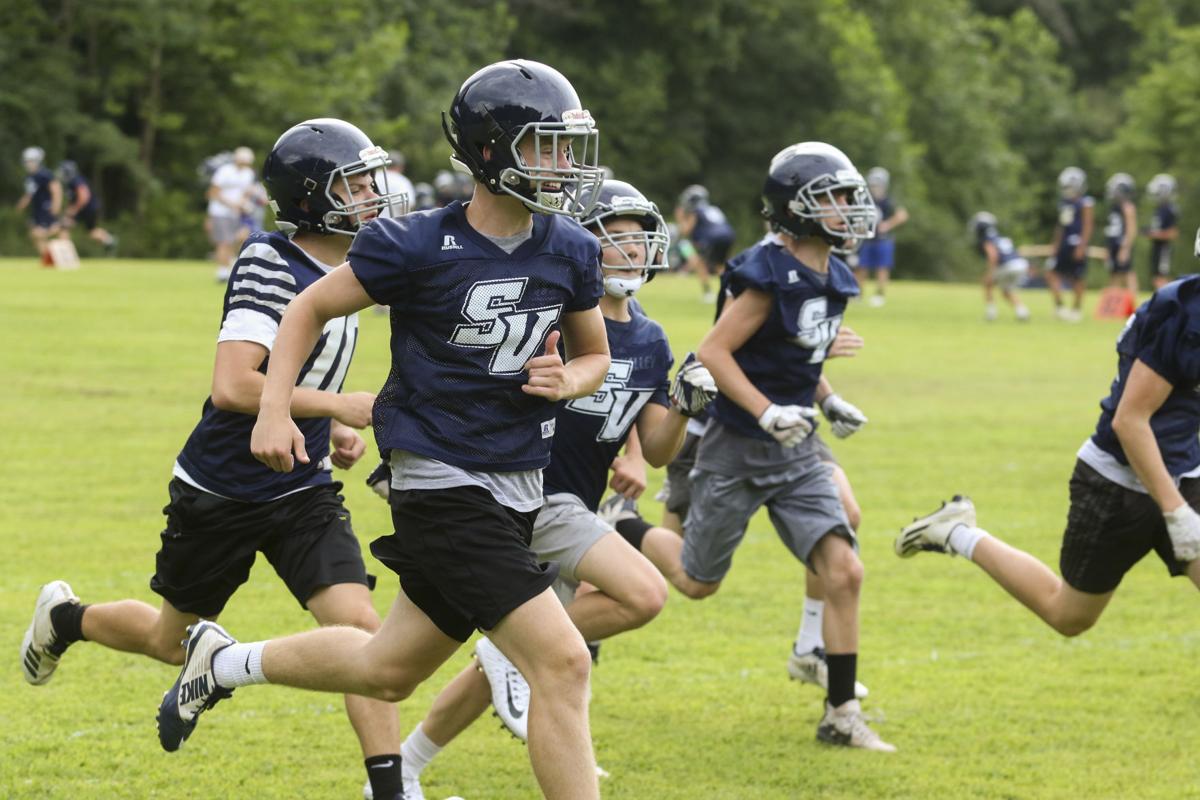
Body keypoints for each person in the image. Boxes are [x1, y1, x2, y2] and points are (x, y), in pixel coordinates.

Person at [154, 60, 612, 800]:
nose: (565, 167)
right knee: (563, 661)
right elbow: (306, 311)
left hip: (518, 482)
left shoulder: (570, 249)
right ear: (491, 154)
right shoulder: (415, 244)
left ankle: (224, 661)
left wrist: (571, 379)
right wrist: (274, 408)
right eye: (547, 146)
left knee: (386, 669)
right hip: (441, 480)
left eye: (568, 148)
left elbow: (595, 356)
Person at [20, 118, 410, 800]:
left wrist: (330, 424)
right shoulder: (269, 261)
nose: (374, 194)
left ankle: (392, 790)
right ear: (312, 196)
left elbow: (299, 383)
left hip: (303, 487)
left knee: (363, 635)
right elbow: (234, 386)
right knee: (170, 641)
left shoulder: (353, 268)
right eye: (356, 183)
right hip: (224, 489)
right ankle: (66, 620)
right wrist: (339, 405)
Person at [388, 178, 715, 798]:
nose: (632, 252)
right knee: (642, 595)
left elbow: (659, 445)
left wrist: (683, 409)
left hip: (570, 504)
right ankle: (505, 662)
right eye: (615, 241)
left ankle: (408, 760)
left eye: (640, 239)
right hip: (529, 495)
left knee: (514, 656)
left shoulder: (649, 339)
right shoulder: (553, 308)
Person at [647, 142, 893, 751]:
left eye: (847, 197)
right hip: (734, 445)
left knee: (845, 568)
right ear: (796, 207)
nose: (847, 209)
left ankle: (840, 713)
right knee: (698, 581)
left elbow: (796, 357)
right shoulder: (765, 270)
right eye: (832, 198)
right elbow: (713, 353)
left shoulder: (833, 271)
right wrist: (765, 409)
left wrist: (827, 399)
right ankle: (623, 528)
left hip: (796, 449)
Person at [896, 230, 1200, 643]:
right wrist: (1177, 513)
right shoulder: (1185, 318)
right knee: (1069, 615)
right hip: (1119, 482)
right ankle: (957, 532)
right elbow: (1130, 422)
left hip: (1183, 470)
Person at [854, 167, 908, 307]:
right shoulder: (866, 200)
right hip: (866, 238)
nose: (875, 188)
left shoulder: (888, 201)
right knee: (861, 267)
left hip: (883, 240)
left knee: (882, 268)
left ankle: (879, 295)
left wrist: (887, 225)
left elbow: (902, 215)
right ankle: (858, 294)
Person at [674, 184, 736, 303]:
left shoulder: (695, 211)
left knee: (700, 264)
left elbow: (686, 230)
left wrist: (680, 218)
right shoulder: (713, 208)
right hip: (728, 235)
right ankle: (731, 290)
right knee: (720, 265)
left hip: (712, 238)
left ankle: (708, 293)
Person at [1048, 166, 1095, 322]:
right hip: (1064, 244)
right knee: (1051, 273)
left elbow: (1088, 225)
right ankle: (1060, 307)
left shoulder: (1085, 203)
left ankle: (1076, 310)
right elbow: (1061, 225)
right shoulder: (1064, 203)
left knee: (1077, 278)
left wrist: (1082, 246)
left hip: (1076, 243)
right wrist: (1055, 244)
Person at [208, 145, 258, 283]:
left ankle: (230, 265)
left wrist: (243, 203)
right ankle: (222, 272)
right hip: (220, 211)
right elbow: (214, 193)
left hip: (237, 213)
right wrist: (232, 204)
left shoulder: (248, 173)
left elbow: (246, 192)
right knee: (224, 241)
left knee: (239, 238)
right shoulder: (225, 171)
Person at [970, 212, 1030, 322]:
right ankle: (1022, 311)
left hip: (1007, 265)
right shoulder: (998, 236)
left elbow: (993, 256)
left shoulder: (986, 239)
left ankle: (991, 312)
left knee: (987, 284)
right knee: (1006, 289)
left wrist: (989, 273)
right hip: (1020, 264)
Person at [57, 160, 117, 253]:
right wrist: (69, 209)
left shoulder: (76, 180)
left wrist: (74, 209)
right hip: (86, 208)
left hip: (87, 208)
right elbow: (73, 198)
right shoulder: (71, 182)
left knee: (66, 226)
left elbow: (84, 196)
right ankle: (109, 240)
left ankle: (65, 253)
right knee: (88, 231)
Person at [15, 146, 62, 264]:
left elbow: (56, 189)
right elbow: (30, 193)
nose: (28, 164)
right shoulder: (30, 177)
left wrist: (56, 205)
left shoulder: (44, 174)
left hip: (45, 207)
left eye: (30, 161)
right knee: (34, 234)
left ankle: (60, 229)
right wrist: (22, 204)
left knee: (40, 232)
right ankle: (47, 258)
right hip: (37, 209)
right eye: (26, 161)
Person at [1104, 172, 1138, 293]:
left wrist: (1125, 248)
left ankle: (1134, 300)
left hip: (1122, 244)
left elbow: (1131, 229)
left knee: (1127, 272)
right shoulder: (1114, 207)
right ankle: (1114, 301)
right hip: (1114, 244)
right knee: (1114, 273)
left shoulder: (1128, 207)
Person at [1145, 173, 1179, 291]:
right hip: (1157, 246)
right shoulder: (1160, 209)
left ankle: (1168, 303)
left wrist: (1154, 234)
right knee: (1156, 277)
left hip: (1163, 247)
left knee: (1161, 277)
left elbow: (1173, 233)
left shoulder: (1169, 209)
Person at [379, 150, 414, 219]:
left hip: (369, 225)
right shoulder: (401, 180)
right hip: (392, 226)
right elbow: (406, 206)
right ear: (401, 166)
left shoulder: (374, 176)